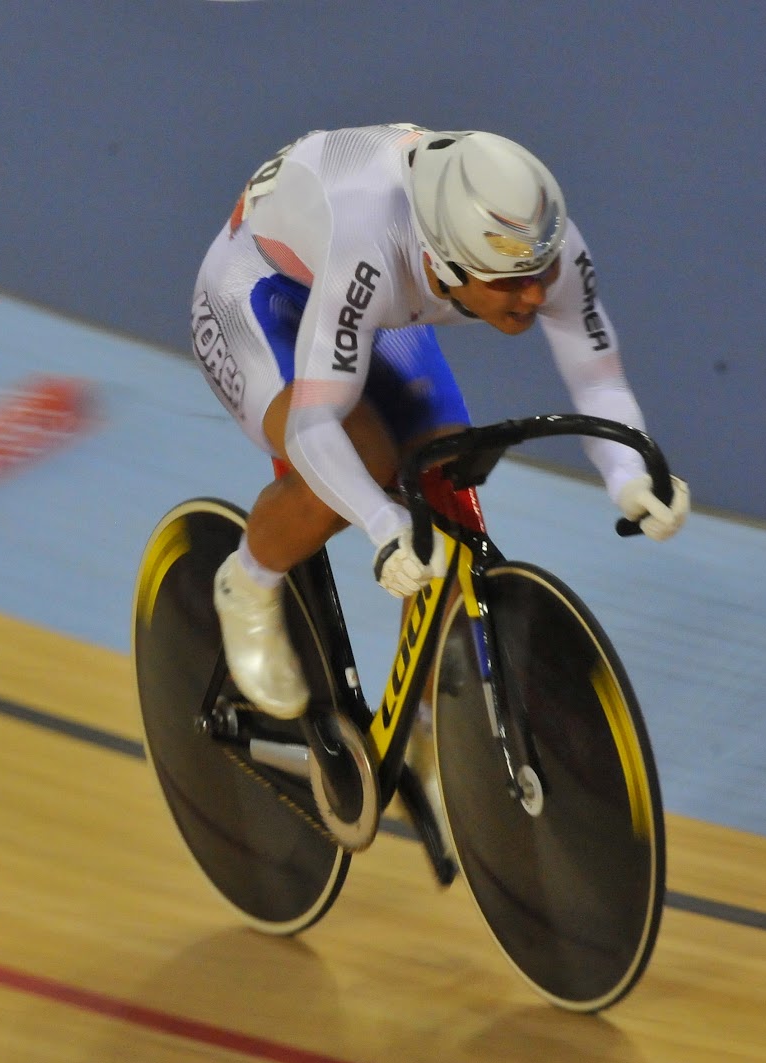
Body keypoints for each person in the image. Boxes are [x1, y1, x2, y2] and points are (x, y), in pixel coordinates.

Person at [191, 123, 691, 719]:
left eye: (540, 273)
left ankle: (427, 726)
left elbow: (598, 380)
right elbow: (311, 424)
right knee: (365, 463)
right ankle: (247, 581)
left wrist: (630, 477)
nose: (533, 296)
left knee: (445, 472)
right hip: (258, 291)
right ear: (446, 264)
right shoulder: (371, 249)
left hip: (361, 295)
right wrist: (382, 526)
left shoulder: (540, 244)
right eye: (509, 283)